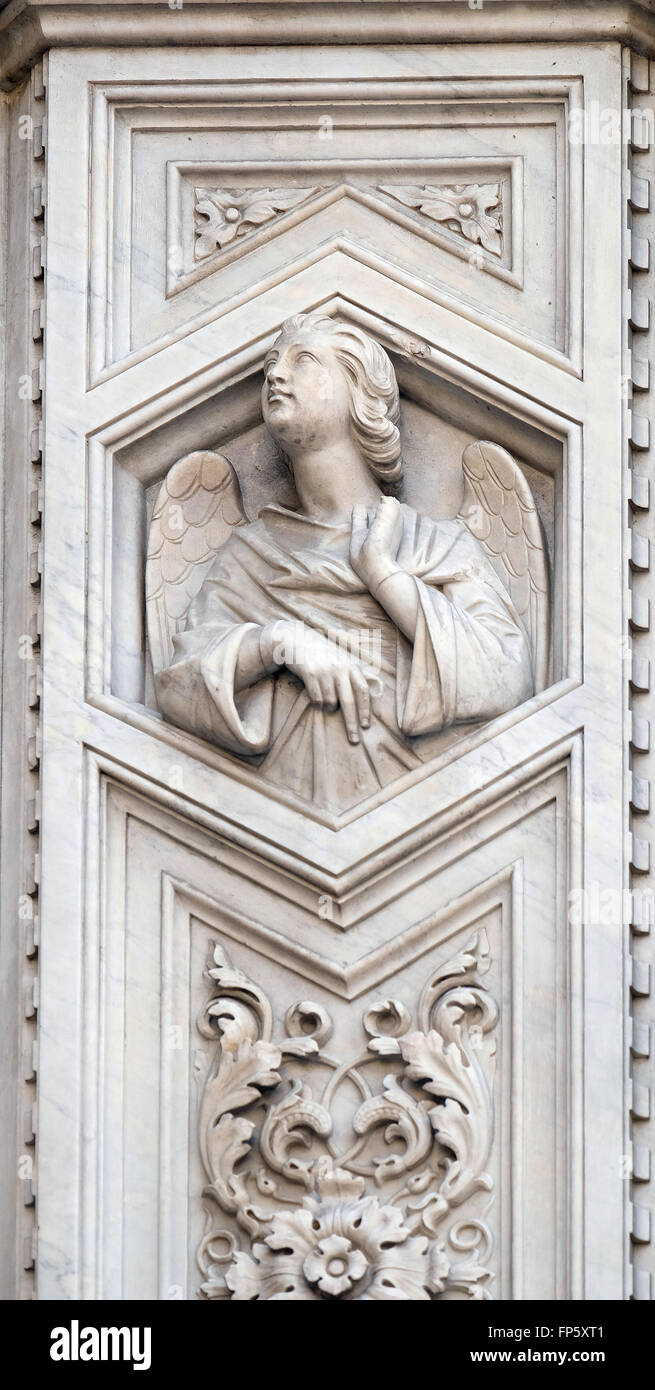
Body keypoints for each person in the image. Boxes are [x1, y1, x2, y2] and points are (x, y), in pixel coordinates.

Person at [155, 313, 533, 811]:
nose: (276, 375)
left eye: (303, 360)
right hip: (277, 826)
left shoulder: (436, 543)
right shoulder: (249, 556)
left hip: (424, 815)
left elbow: (506, 677)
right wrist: (279, 642)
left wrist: (383, 574)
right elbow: (180, 685)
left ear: (361, 395)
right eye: (271, 364)